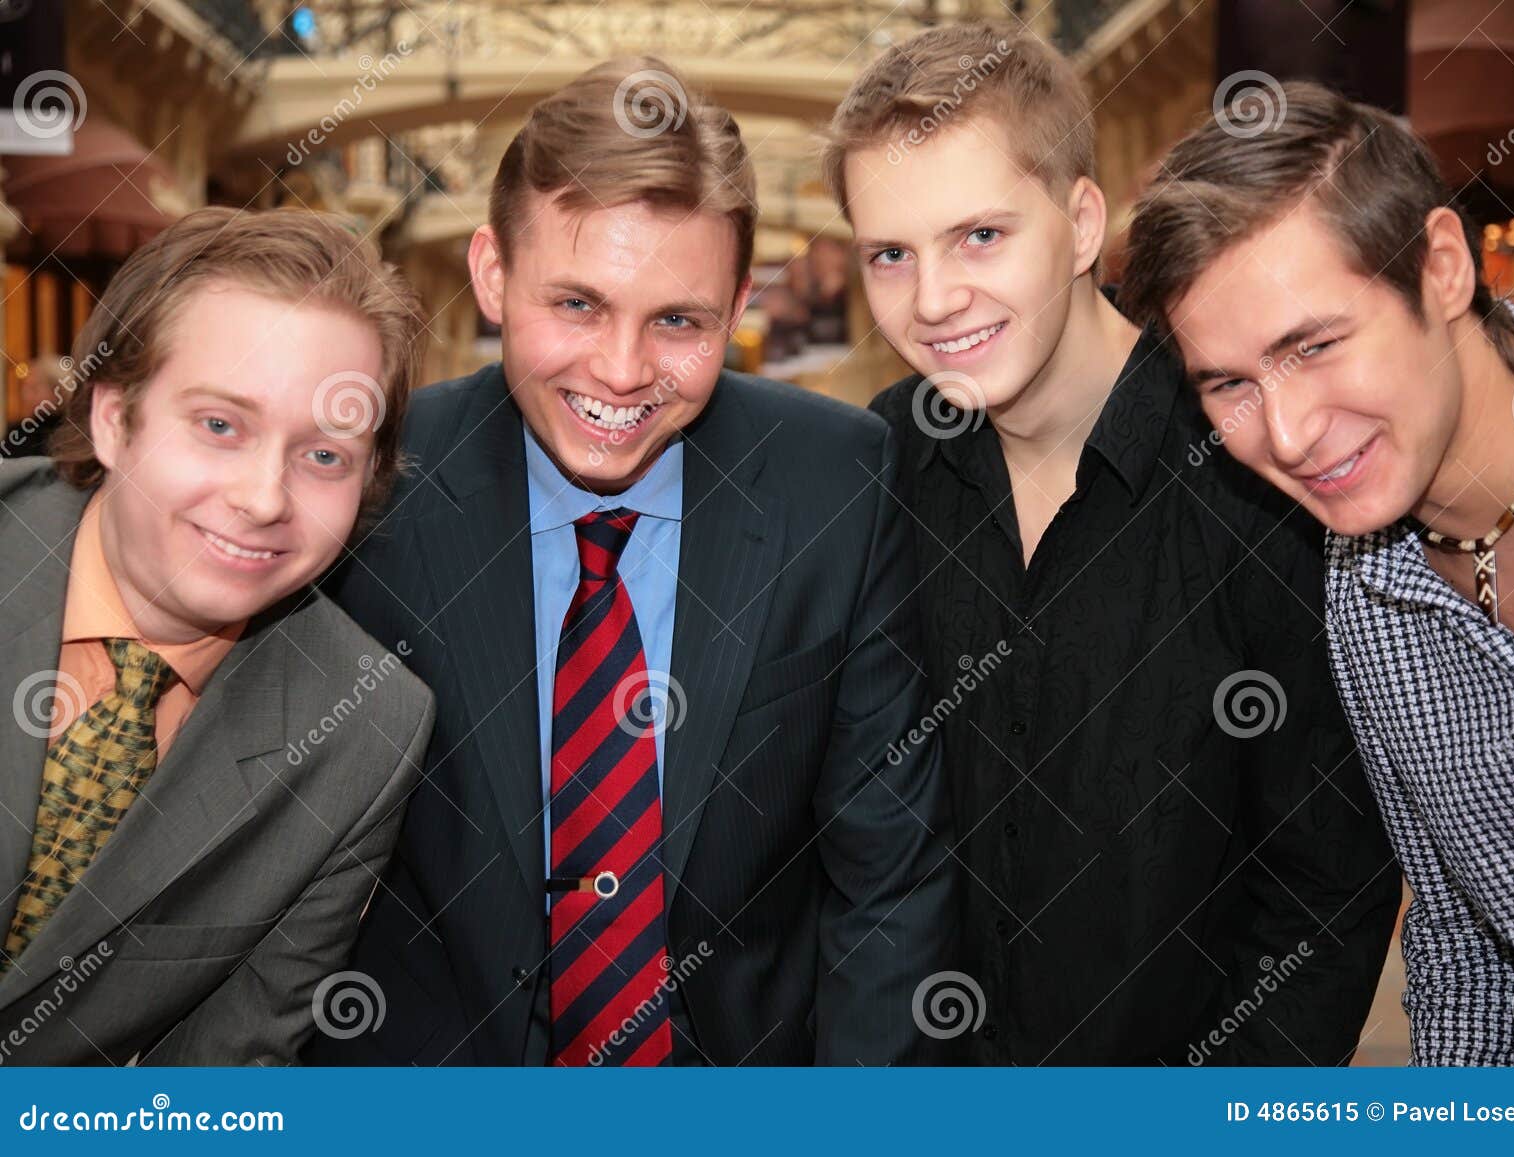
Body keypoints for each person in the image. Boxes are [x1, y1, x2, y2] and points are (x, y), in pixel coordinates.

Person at [307, 57, 956, 1067]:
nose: (619, 369)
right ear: (491, 273)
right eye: (575, 304)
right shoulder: (371, 486)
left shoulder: (836, 480)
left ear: (739, 302)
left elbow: (891, 881)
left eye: (678, 321)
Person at [823, 24, 1399, 1064]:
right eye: (890, 255)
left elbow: (1323, 891)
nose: (935, 298)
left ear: (1082, 221)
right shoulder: (885, 462)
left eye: (980, 236)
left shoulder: (1252, 468)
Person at [1120, 79, 1514, 1067]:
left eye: (1315, 345)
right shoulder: (1361, 597)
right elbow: (1470, 948)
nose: (1287, 434)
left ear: (1439, 268)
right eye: (1229, 383)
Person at [0, 207, 435, 1064]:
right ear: (114, 420)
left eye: (323, 456)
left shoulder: (363, 726)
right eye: (220, 425)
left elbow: (225, 1073)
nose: (264, 497)